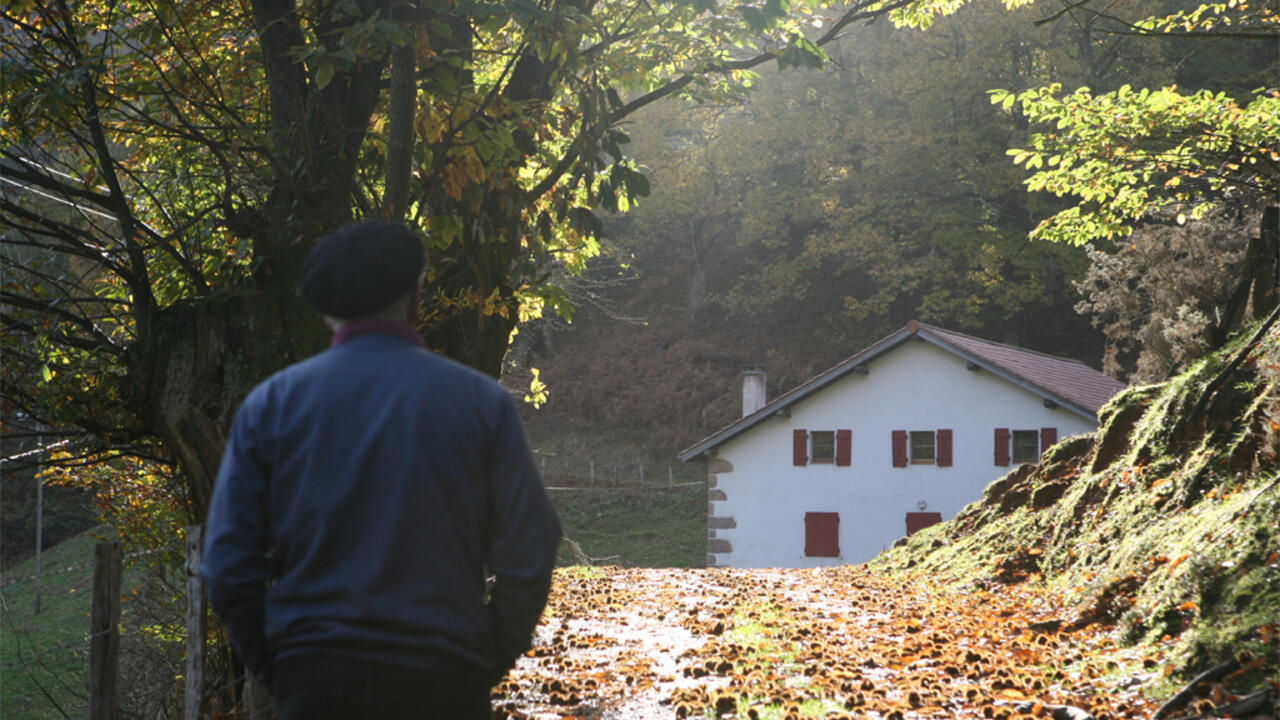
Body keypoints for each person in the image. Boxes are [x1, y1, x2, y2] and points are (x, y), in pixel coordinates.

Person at [201, 219, 561, 719]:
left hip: (315, 681)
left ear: (326, 311)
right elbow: (530, 549)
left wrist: (280, 668)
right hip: (444, 676)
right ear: (415, 298)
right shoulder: (480, 403)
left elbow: (226, 564)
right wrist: (487, 655)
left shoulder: (272, 406)